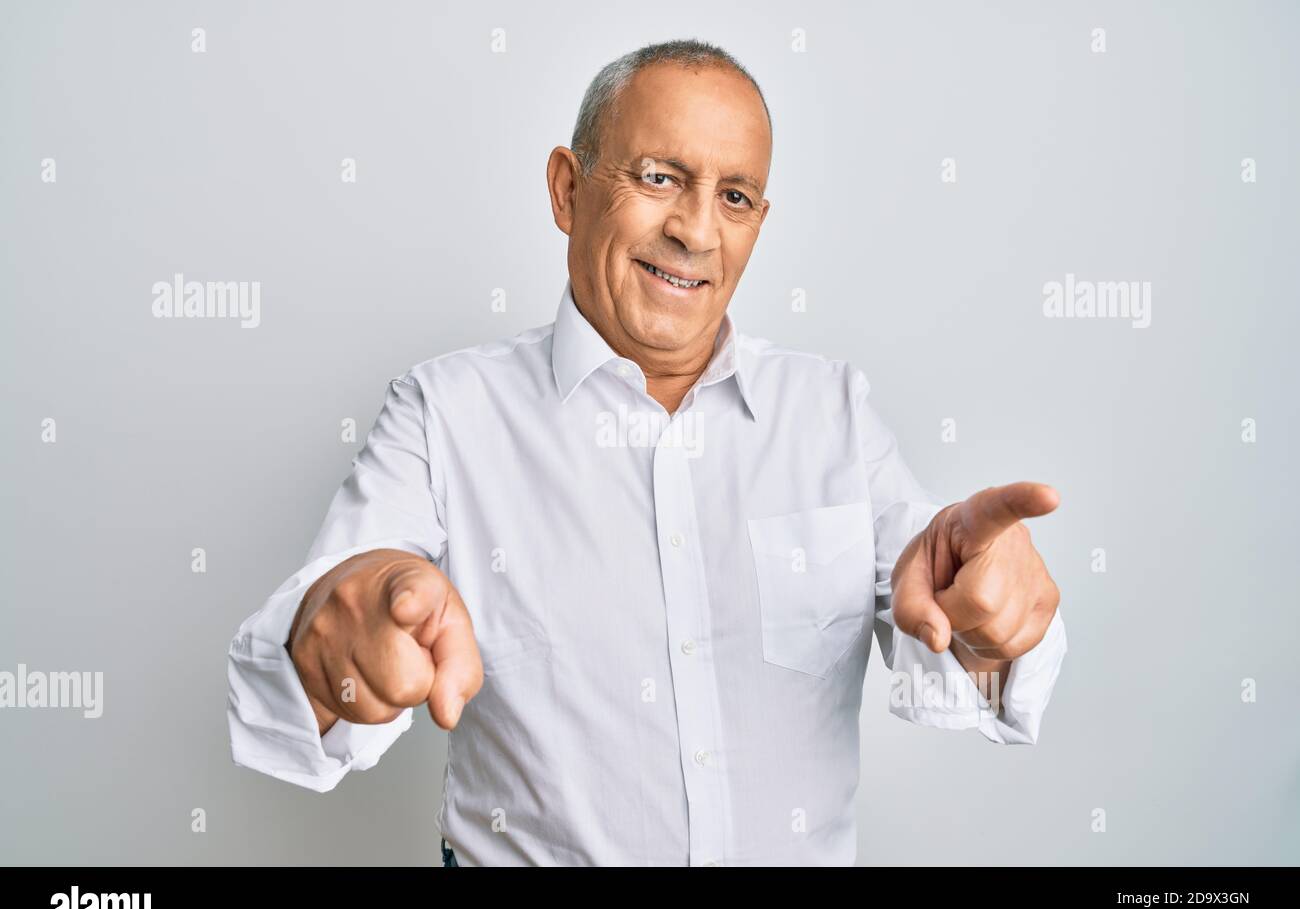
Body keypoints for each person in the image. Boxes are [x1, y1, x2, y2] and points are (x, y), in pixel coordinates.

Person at [227, 39, 1067, 866]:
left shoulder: (833, 413)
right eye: (659, 177)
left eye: (734, 197)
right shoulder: (444, 411)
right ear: (567, 188)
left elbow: (958, 632)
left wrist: (991, 622)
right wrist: (338, 641)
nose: (696, 231)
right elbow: (328, 626)